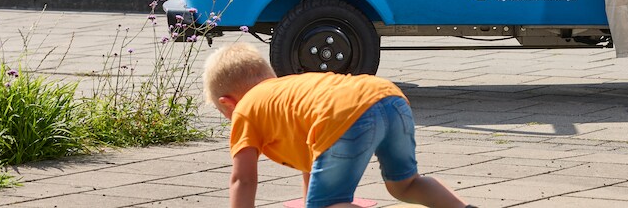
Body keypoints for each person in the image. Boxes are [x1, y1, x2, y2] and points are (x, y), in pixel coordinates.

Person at [202, 43, 474, 208]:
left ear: (227, 103)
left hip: (345, 114)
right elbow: (313, 167)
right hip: (390, 98)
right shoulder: (289, 93)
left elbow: (243, 179)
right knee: (405, 185)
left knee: (330, 205)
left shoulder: (245, 110)